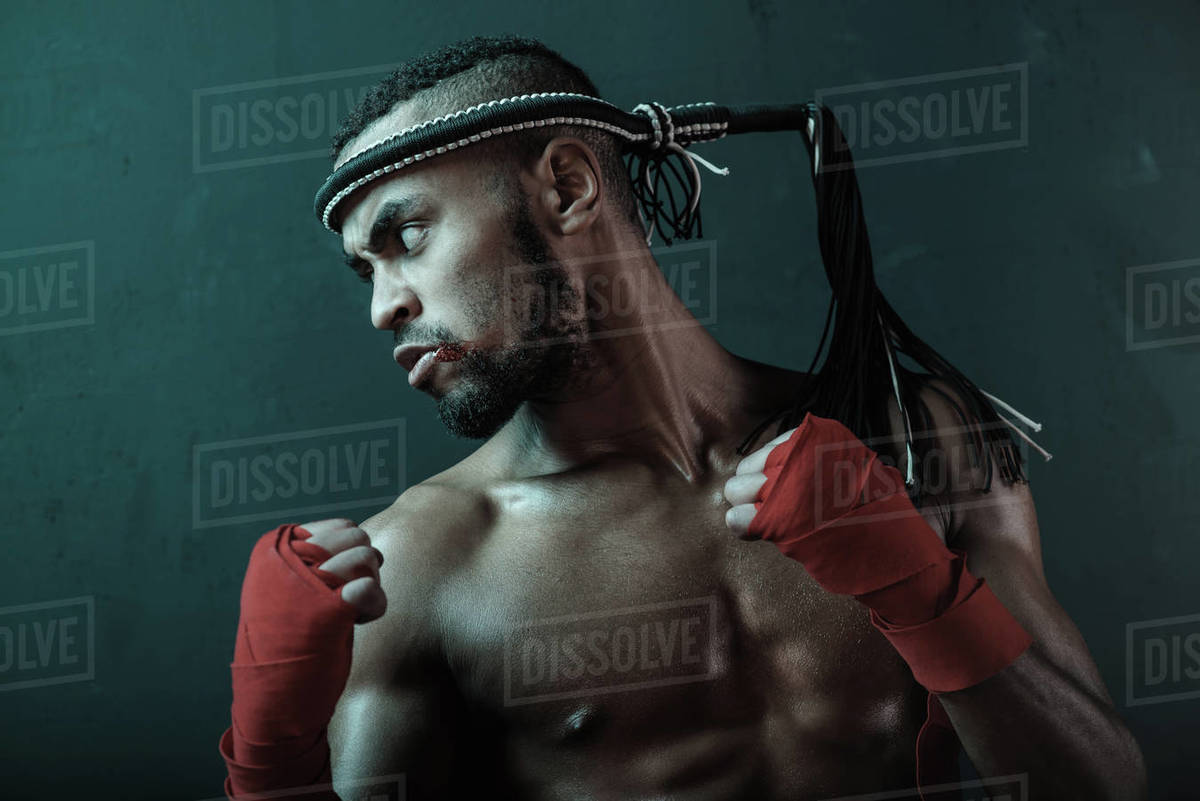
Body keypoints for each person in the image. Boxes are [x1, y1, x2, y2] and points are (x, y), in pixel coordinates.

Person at [219, 35, 1147, 801]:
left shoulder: (914, 433)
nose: (383, 306)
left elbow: (1102, 786)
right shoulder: (421, 567)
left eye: (406, 235)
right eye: (365, 270)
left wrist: (923, 593)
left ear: (570, 188)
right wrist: (272, 765)